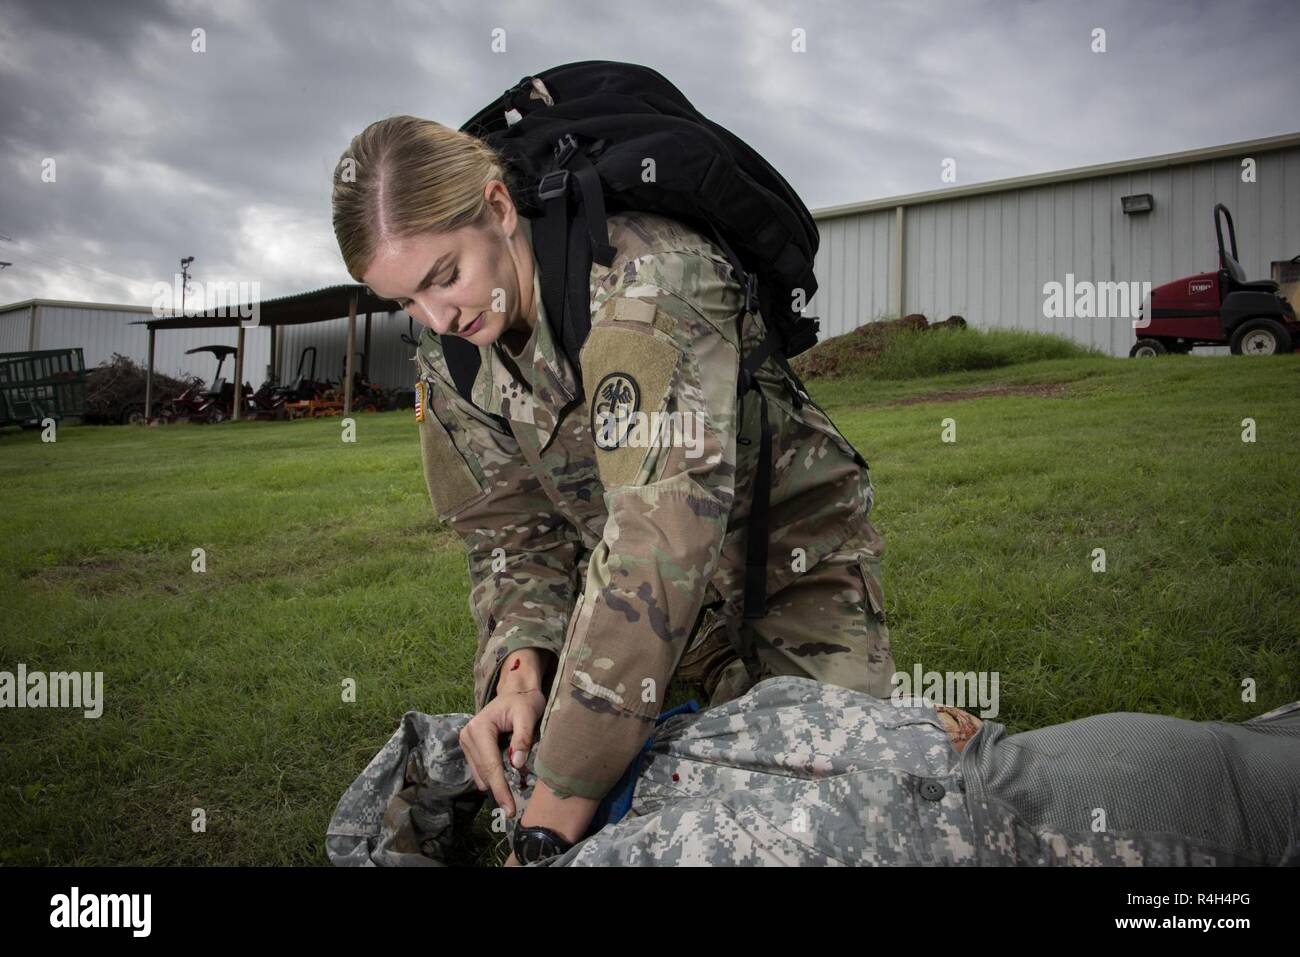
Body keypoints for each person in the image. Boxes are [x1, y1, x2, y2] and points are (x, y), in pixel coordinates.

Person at [330, 115, 895, 862]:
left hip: (786, 573)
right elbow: (511, 537)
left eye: (444, 276)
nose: (439, 317)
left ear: (498, 209)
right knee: (606, 770)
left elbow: (659, 542)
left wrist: (551, 815)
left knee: (837, 814)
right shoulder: (452, 356)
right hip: (632, 609)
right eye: (405, 301)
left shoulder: (649, 281)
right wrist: (520, 670)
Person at [325, 677, 1300, 867]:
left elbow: (429, 748)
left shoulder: (606, 733)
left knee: (1241, 772)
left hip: (994, 785)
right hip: (1002, 813)